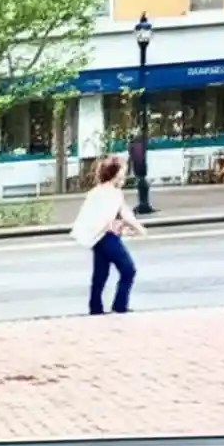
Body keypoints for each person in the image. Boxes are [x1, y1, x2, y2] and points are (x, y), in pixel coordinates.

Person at [69, 155, 147, 315]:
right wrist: (140, 229)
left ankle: (95, 309)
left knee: (100, 275)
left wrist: (122, 226)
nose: (125, 174)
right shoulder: (113, 192)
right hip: (107, 237)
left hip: (97, 238)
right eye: (123, 171)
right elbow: (125, 215)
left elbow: (99, 216)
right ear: (116, 173)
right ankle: (120, 306)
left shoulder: (97, 191)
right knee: (128, 270)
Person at [128, 135, 154, 214]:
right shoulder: (140, 145)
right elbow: (138, 157)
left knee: (142, 186)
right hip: (141, 168)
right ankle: (144, 205)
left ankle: (143, 204)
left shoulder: (133, 146)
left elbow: (132, 158)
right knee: (143, 186)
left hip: (139, 169)